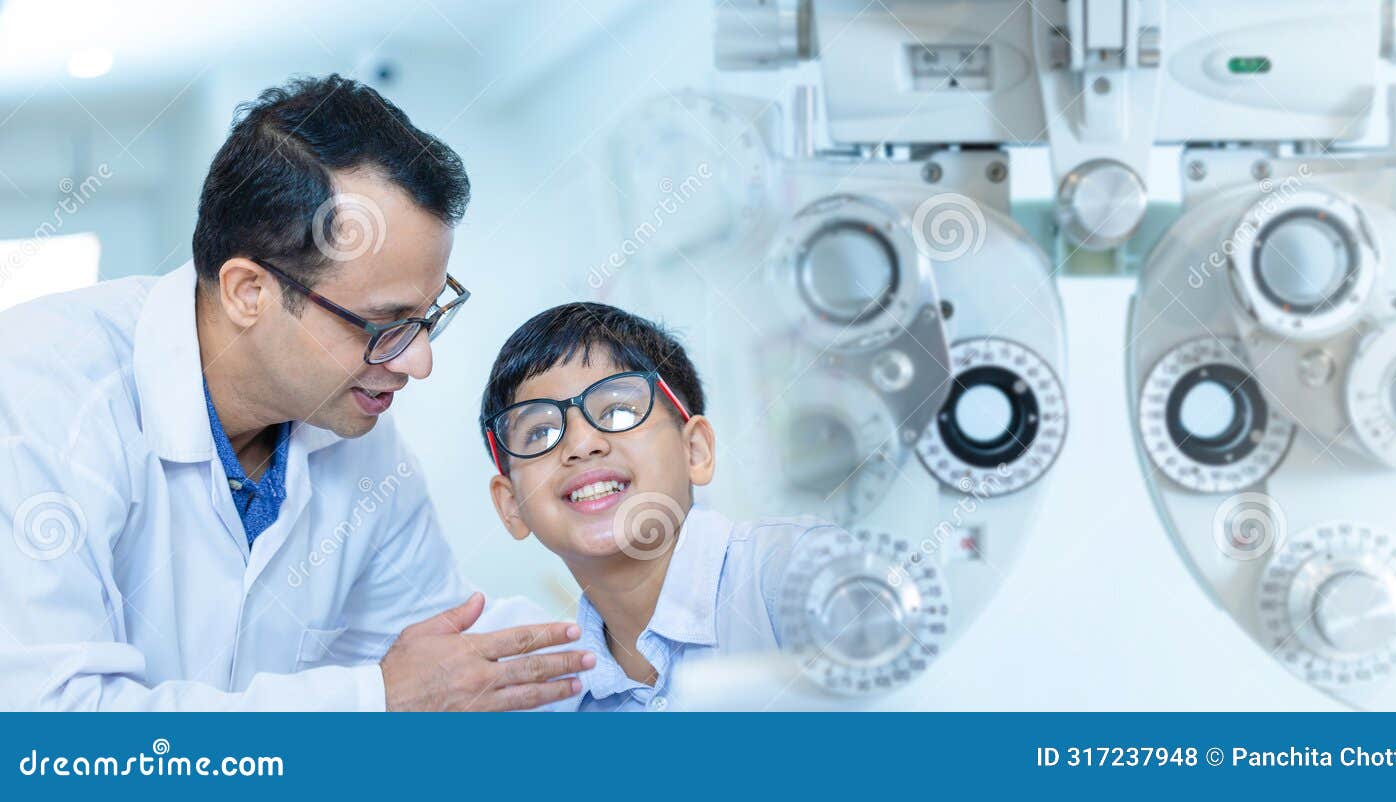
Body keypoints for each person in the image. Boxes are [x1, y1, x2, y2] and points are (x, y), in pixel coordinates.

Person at [0, 75, 592, 711]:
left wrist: (626, 639)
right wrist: (373, 702)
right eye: (384, 323)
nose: (419, 362)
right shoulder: (42, 396)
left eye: (428, 317)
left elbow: (443, 660)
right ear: (249, 292)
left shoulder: (357, 440)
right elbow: (52, 734)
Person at [478, 302, 844, 711]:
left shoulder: (800, 575)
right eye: (541, 433)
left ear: (695, 450)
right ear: (511, 506)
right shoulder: (551, 699)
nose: (581, 444)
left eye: (618, 412)